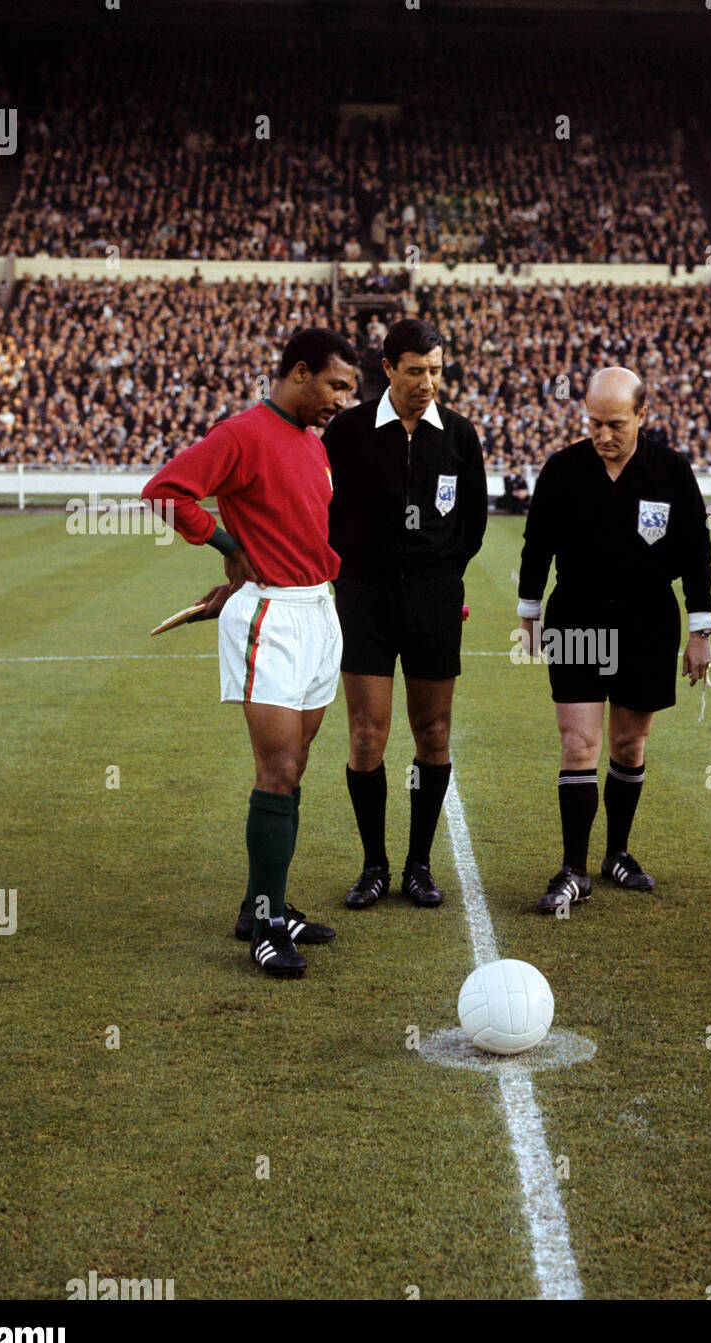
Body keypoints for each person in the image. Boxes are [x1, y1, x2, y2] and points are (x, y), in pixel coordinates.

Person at [142, 327, 358, 977]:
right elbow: (164, 493)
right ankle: (266, 924)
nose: (343, 400)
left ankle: (259, 906)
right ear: (298, 372)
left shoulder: (310, 442)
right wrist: (227, 547)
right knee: (279, 767)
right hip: (272, 615)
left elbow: (301, 527)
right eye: (336, 385)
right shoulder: (241, 434)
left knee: (297, 766)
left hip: (321, 611)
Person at [516, 367, 711, 913]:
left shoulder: (672, 470)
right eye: (594, 423)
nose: (603, 435)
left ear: (642, 416)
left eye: (616, 424)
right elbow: (537, 544)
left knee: (629, 745)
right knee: (579, 743)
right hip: (577, 617)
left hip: (649, 620)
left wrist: (700, 630)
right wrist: (529, 612)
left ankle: (618, 854)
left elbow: (697, 551)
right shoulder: (562, 469)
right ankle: (573, 868)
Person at [322, 319, 487, 910]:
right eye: (415, 371)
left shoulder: (460, 436)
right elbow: (321, 504)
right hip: (363, 595)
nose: (427, 383)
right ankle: (374, 864)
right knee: (367, 733)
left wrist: (438, 574)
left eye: (436, 370)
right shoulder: (348, 431)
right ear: (387, 369)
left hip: (433, 597)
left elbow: (472, 525)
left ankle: (418, 864)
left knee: (433, 732)